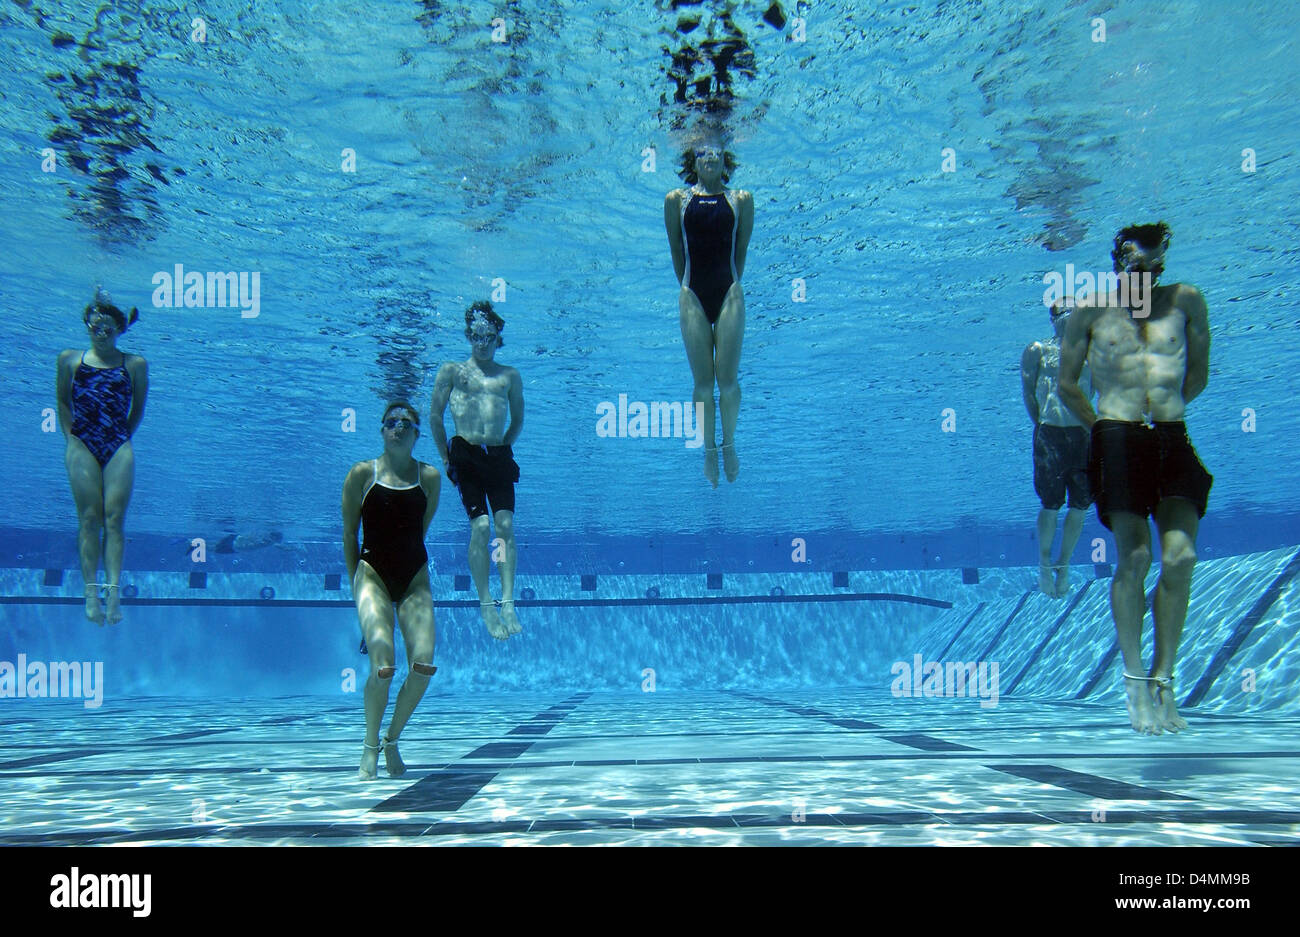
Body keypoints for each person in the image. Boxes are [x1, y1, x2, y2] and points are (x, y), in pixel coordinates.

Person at [1058, 222, 1212, 736]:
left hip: (1170, 434)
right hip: (1117, 436)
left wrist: (1164, 411)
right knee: (1138, 556)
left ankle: (1164, 679)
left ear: (1163, 258)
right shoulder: (1091, 309)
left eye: (1151, 263)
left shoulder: (1187, 300)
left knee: (1181, 556)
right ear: (1118, 261)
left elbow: (1198, 375)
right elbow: (1067, 386)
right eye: (1132, 262)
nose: (1142, 271)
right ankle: (1132, 679)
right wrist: (1105, 428)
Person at [341, 401, 442, 780]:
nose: (397, 427)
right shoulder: (361, 474)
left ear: (417, 433)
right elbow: (350, 534)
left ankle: (392, 740)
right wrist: (358, 589)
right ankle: (369, 746)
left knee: (424, 664)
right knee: (383, 668)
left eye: (406, 423)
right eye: (390, 422)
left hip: (414, 575)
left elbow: (420, 529)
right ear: (382, 430)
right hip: (372, 575)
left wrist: (409, 571)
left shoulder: (430, 477)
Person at [430, 302, 525, 641]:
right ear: (468, 335)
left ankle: (508, 601)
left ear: (498, 337)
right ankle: (487, 603)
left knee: (505, 526)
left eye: (488, 336)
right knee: (482, 527)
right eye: (475, 336)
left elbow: (517, 420)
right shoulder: (451, 372)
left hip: (497, 454)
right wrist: (446, 456)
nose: (481, 343)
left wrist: (503, 447)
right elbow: (435, 416)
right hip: (465, 454)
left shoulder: (509, 376)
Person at [55, 288, 149, 625]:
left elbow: (137, 407)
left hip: (118, 443)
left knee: (114, 521)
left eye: (109, 327)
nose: (102, 332)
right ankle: (91, 595)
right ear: (88, 326)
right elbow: (64, 402)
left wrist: (123, 436)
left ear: (120, 329)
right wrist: (71, 440)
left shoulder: (135, 364)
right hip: (82, 443)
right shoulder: (69, 359)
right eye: (96, 327)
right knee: (89, 520)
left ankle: (113, 594)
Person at [664, 141, 753, 486]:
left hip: (729, 292)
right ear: (694, 160)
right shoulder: (676, 200)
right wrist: (687, 290)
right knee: (703, 384)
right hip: (692, 295)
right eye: (702, 152)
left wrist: (731, 284)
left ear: (725, 158)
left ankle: (729, 444)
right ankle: (709, 449)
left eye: (716, 150)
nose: (710, 155)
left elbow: (741, 246)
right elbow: (675, 247)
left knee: (727, 382)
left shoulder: (741, 199)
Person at [1021, 301, 1096, 597]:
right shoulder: (1036, 350)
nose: (1067, 317)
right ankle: (1043, 563)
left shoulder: (1091, 351)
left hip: (1083, 435)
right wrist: (1042, 424)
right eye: (1060, 312)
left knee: (1081, 503)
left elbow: (1101, 389)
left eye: (1072, 312)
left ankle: (1063, 563)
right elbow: (1028, 393)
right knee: (1051, 503)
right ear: (1051, 319)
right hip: (1049, 433)